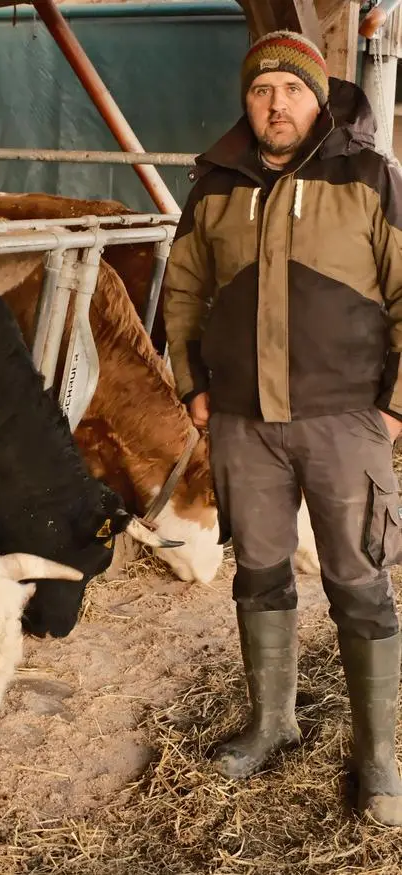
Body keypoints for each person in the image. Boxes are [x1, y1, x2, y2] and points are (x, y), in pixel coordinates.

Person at [163, 30, 402, 826]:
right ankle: (272, 722)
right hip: (243, 423)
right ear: (247, 101)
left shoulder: (369, 176)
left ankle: (377, 756)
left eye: (292, 89)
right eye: (262, 90)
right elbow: (183, 289)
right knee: (259, 574)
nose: (276, 104)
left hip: (346, 419)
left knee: (359, 582)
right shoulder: (216, 184)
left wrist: (394, 406)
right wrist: (194, 384)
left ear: (318, 98)